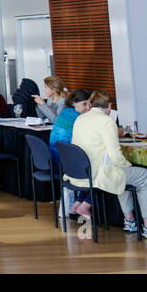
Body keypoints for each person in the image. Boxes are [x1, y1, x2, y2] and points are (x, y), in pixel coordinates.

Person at [70, 91, 147, 239]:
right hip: (99, 173)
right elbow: (115, 155)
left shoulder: (80, 119)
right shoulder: (106, 121)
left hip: (81, 172)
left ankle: (130, 220)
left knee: (121, 174)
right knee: (143, 176)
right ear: (110, 107)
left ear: (91, 104)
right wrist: (126, 164)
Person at [49, 88, 93, 219]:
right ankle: (84, 205)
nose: (88, 108)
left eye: (90, 104)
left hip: (58, 159)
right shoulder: (79, 118)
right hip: (67, 164)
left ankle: (80, 203)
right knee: (98, 171)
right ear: (74, 102)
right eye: (84, 104)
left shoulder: (65, 113)